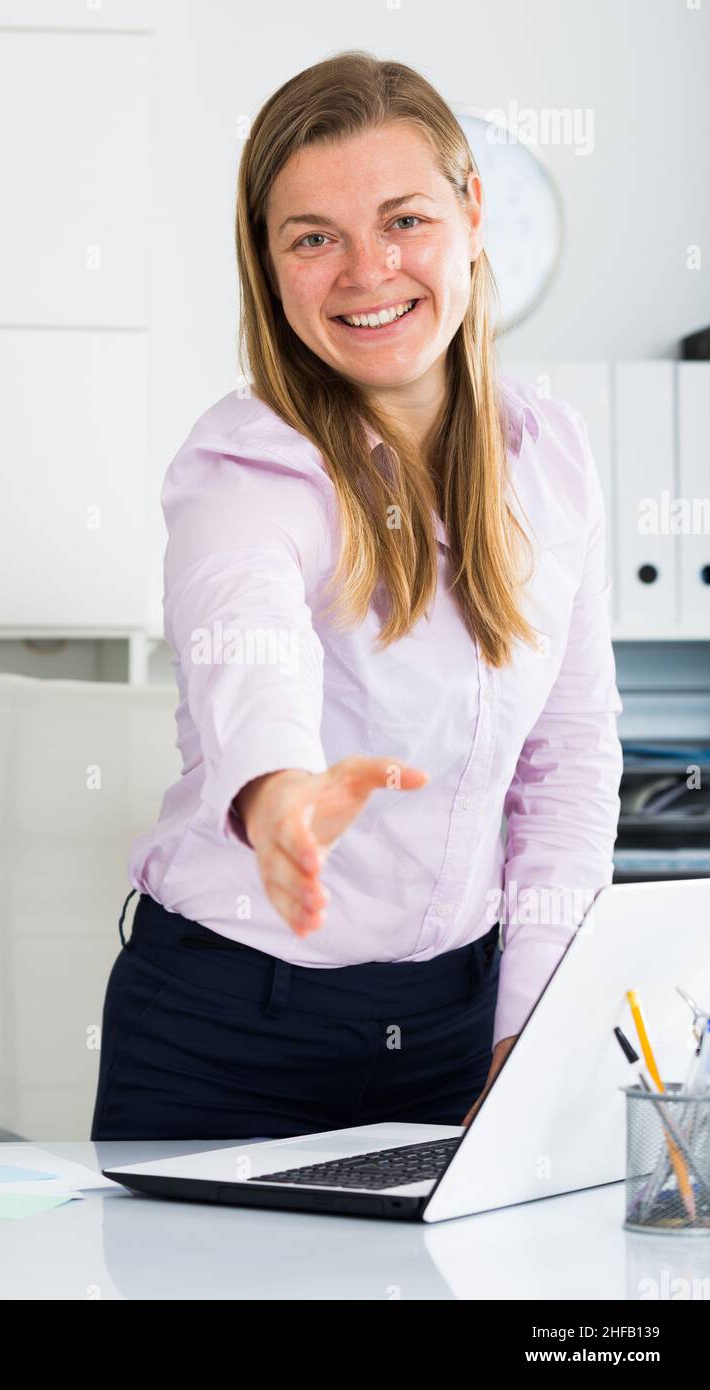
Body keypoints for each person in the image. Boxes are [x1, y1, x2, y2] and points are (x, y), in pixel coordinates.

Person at [91, 50, 622, 1142]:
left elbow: (568, 760)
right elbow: (246, 637)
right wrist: (280, 796)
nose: (368, 270)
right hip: (228, 1033)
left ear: (473, 215)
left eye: (404, 220)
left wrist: (528, 1025)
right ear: (271, 267)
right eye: (314, 238)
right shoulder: (245, 467)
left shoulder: (553, 456)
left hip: (461, 1029)